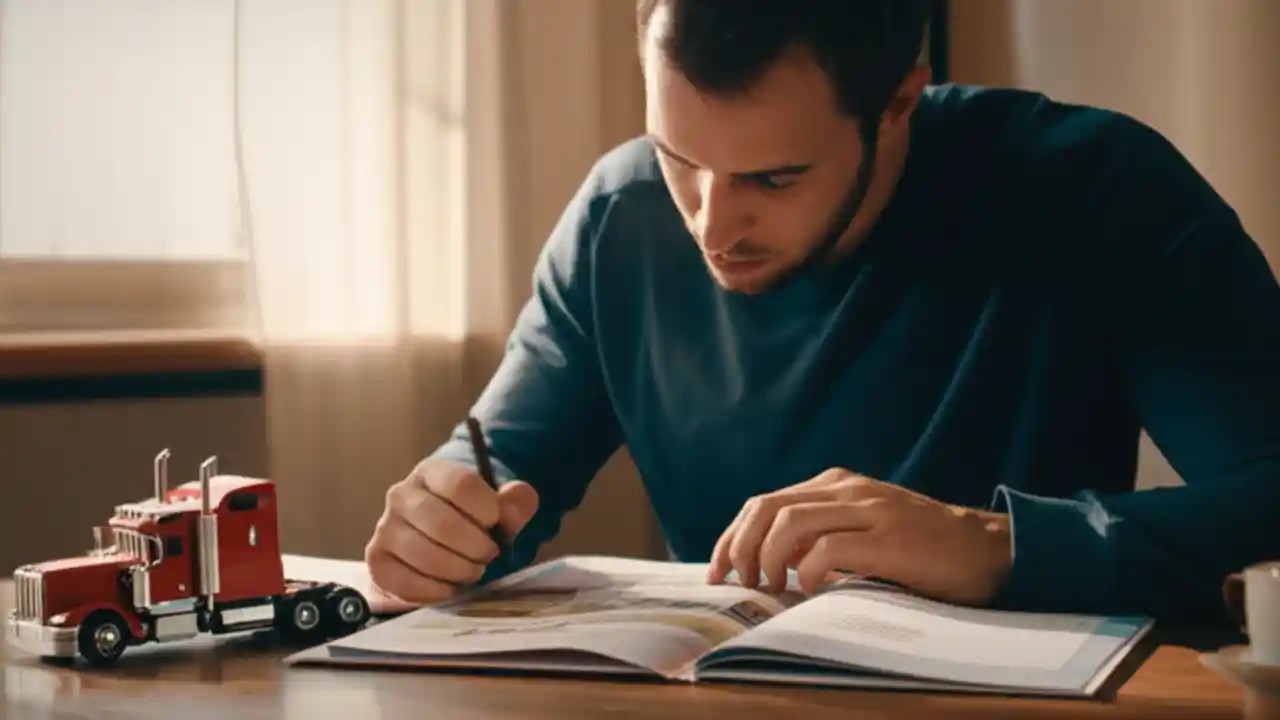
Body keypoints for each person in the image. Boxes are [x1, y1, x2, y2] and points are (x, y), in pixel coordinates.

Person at [364, 0, 1280, 625]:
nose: (711, 224)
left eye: (774, 177)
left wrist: (998, 546)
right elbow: (495, 466)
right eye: (678, 156)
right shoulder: (620, 217)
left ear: (898, 104)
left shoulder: (1099, 190)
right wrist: (440, 521)